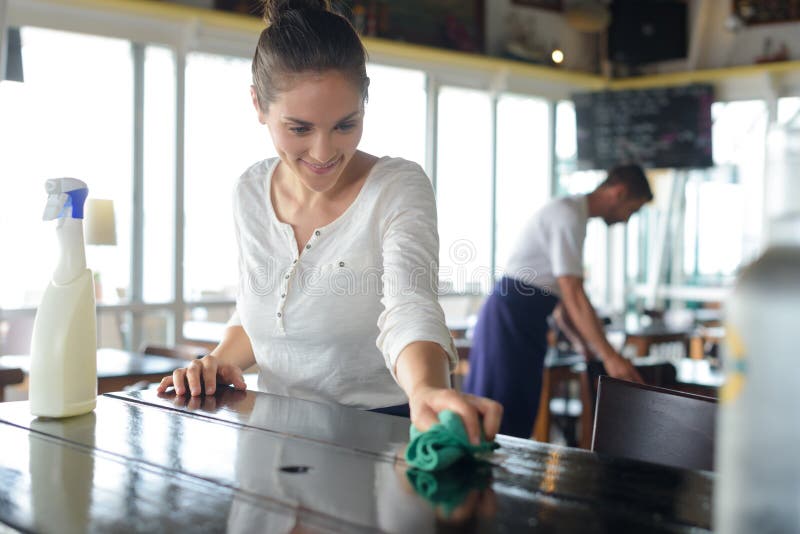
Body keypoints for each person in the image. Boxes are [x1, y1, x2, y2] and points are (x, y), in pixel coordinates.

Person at [157, 0, 501, 445]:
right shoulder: (249, 191)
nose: (324, 153)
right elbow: (260, 307)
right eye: (299, 129)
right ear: (258, 104)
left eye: (345, 125)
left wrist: (426, 390)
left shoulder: (397, 187)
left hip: (382, 432)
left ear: (364, 102)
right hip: (272, 434)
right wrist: (221, 359)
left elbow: (409, 305)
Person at [462, 164, 653, 438]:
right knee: (497, 418)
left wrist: (583, 343)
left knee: (520, 413)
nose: (627, 219)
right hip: (509, 319)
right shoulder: (568, 215)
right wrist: (610, 357)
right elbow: (573, 291)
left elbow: (562, 302)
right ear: (618, 192)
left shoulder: (575, 216)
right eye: (632, 210)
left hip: (527, 320)